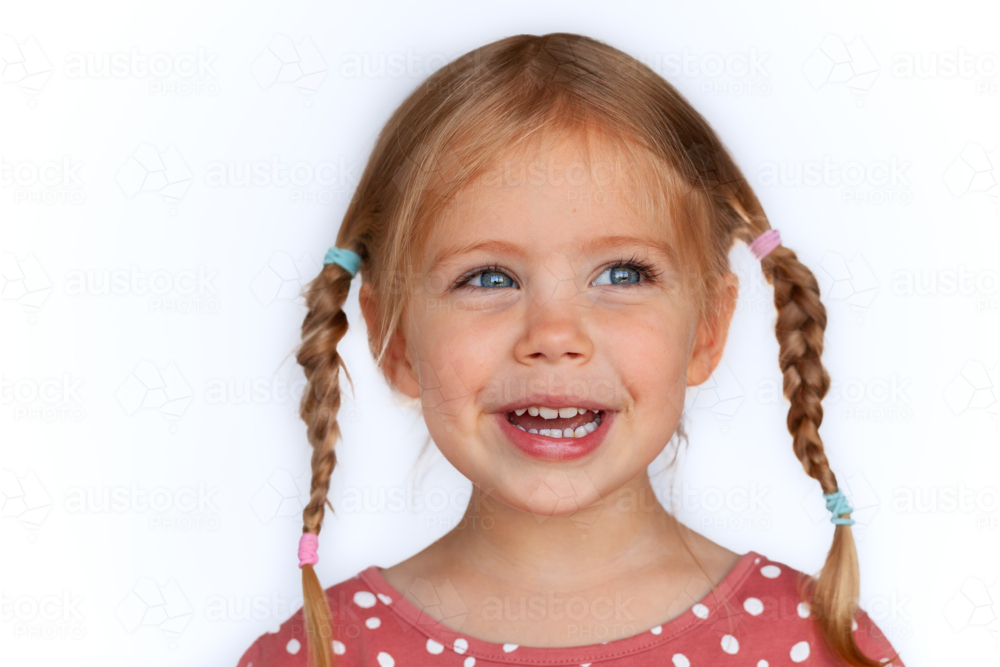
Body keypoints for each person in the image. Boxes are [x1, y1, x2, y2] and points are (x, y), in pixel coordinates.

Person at [238, 33, 905, 667]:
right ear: (398, 342)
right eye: (488, 278)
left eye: (622, 274)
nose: (554, 335)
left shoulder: (819, 647)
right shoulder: (317, 655)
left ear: (707, 327)